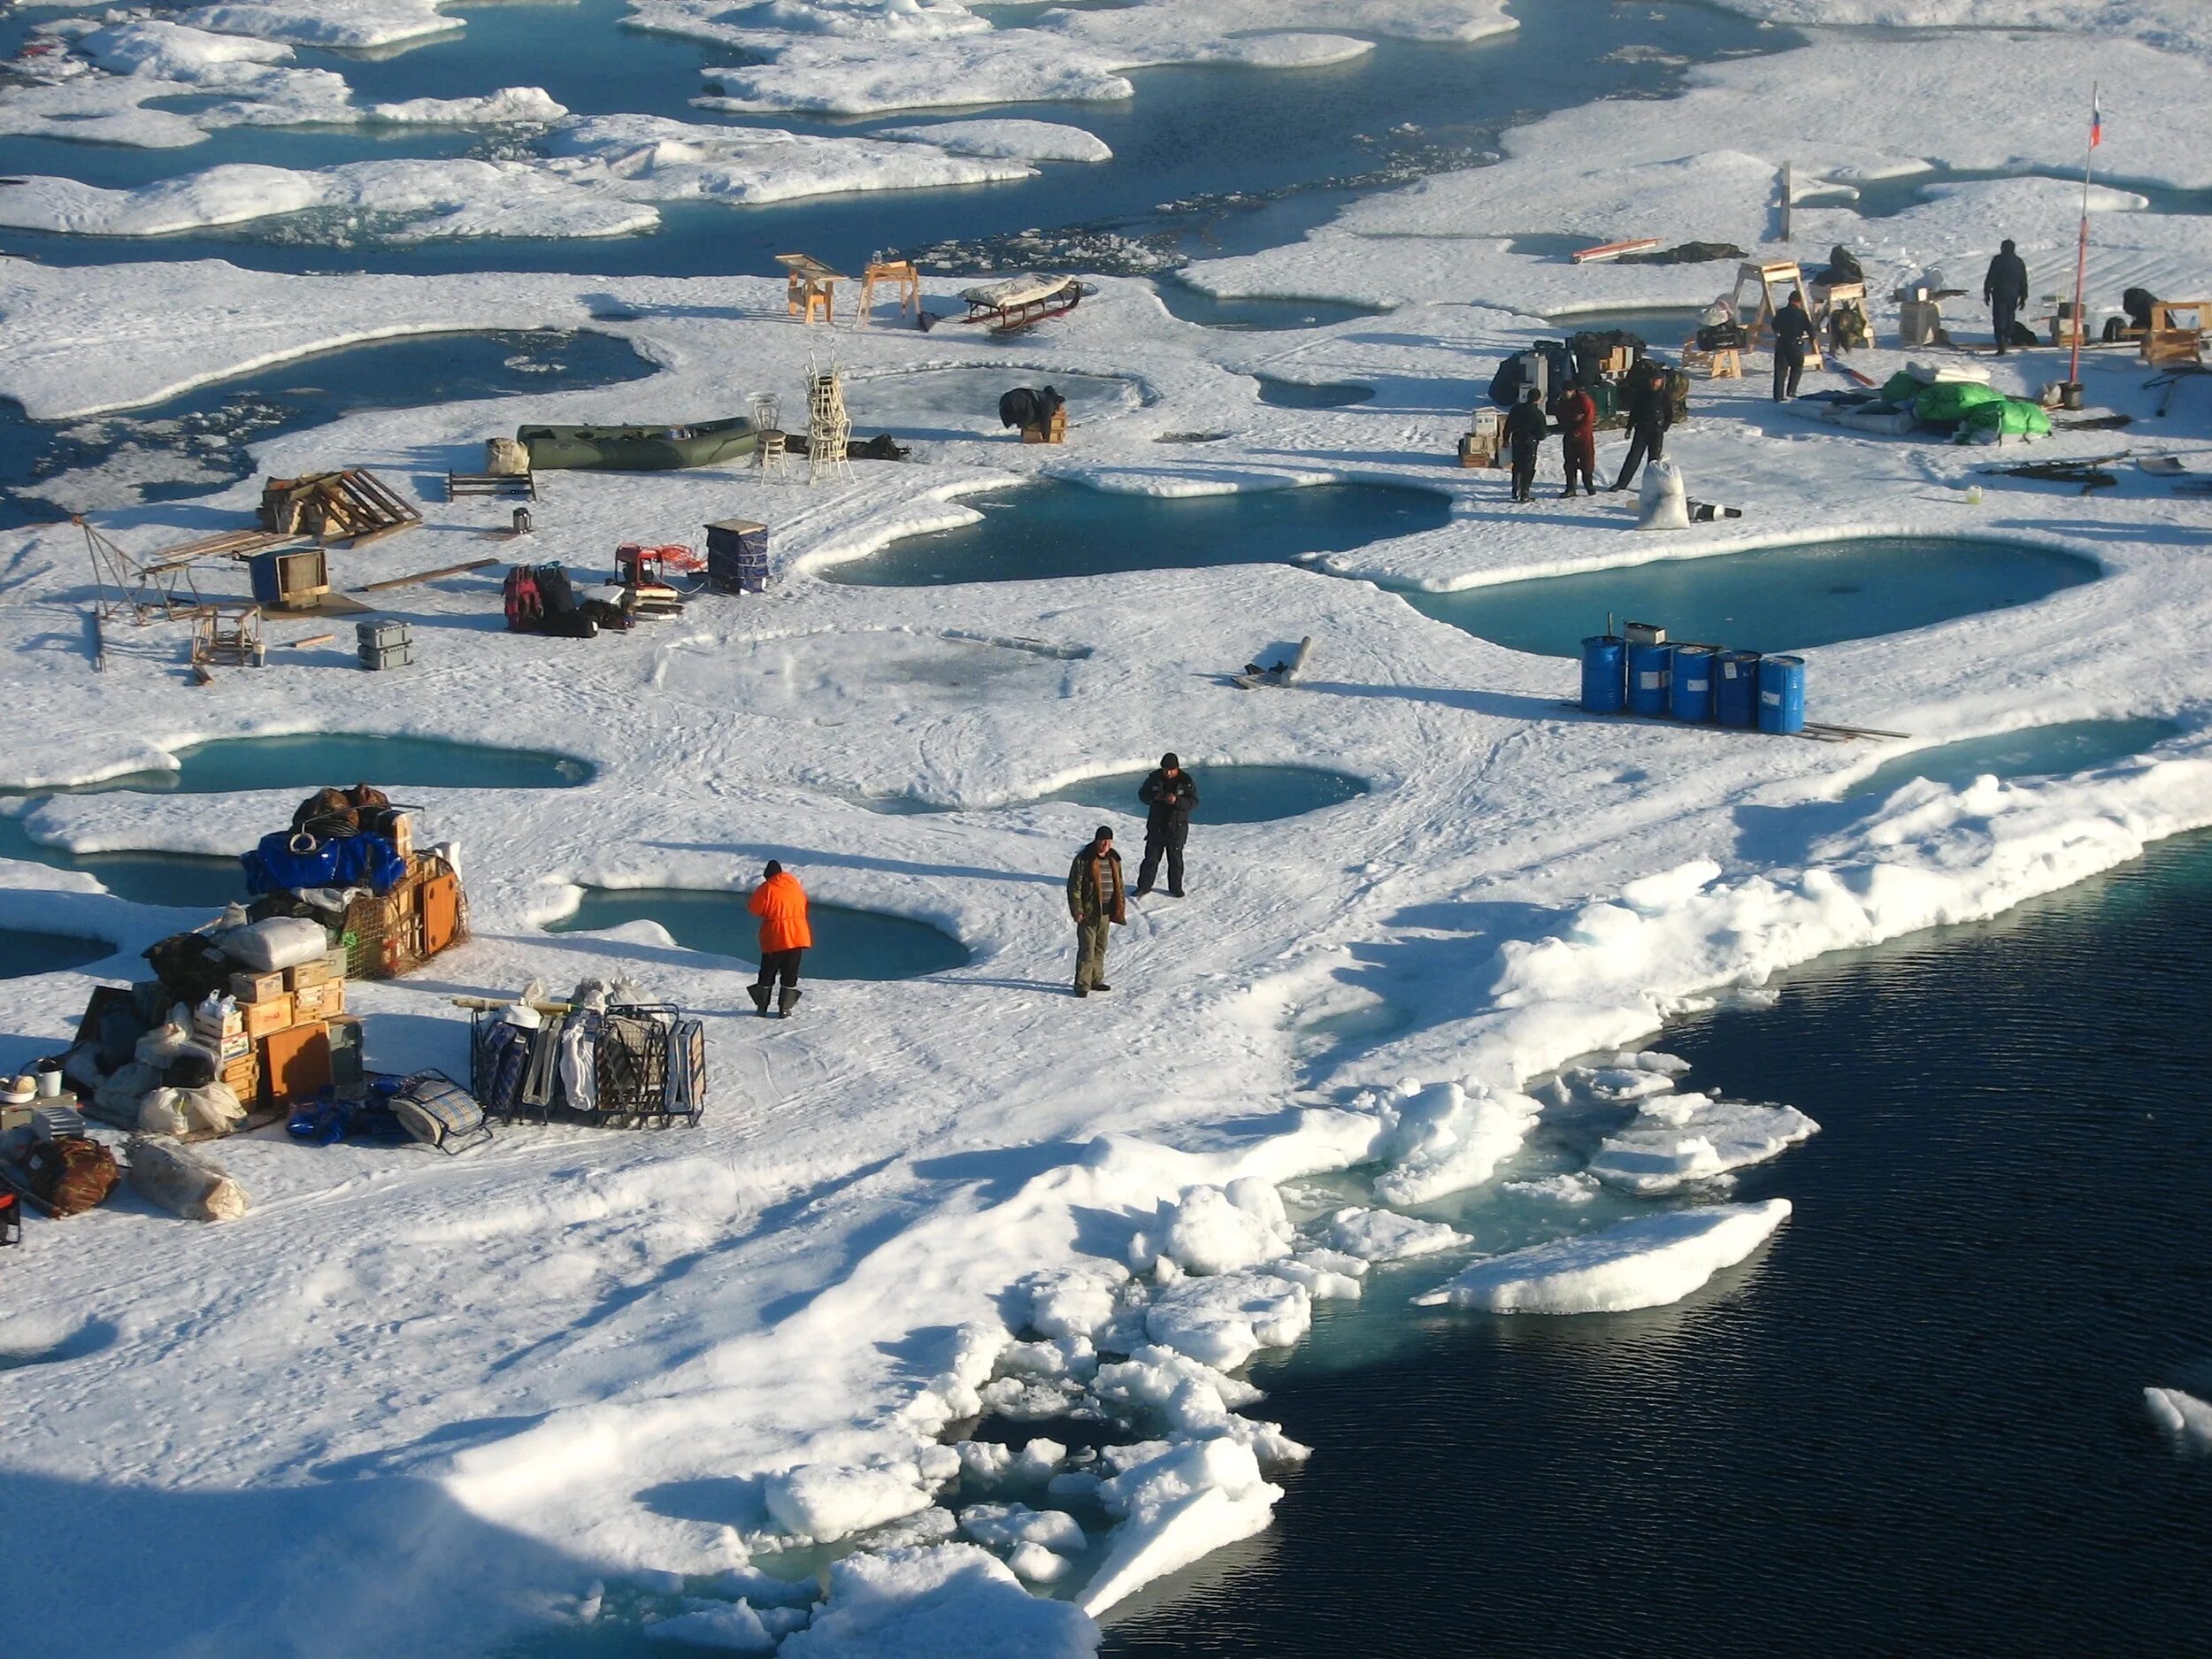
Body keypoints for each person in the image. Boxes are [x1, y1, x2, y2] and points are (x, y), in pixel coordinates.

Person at [746, 859, 811, 1018]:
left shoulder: (766, 888)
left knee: (767, 972)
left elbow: (754, 909)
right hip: (798, 934)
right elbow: (803, 904)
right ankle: (785, 1008)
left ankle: (762, 1007)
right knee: (790, 972)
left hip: (775, 935)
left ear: (768, 876)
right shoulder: (795, 884)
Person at [1066, 825, 1126, 997]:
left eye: (1109, 841)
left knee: (1101, 947)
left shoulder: (1114, 859)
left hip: (1106, 912)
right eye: (1103, 841)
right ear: (1096, 840)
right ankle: (1082, 985)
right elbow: (1074, 887)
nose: (1106, 845)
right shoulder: (1084, 859)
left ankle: (1096, 980)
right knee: (1087, 949)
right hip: (1088, 913)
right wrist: (1077, 910)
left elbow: (1119, 884)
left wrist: (1120, 906)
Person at [1134, 753, 1200, 898]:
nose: (1168, 773)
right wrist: (1154, 797)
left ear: (1177, 768)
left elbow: (1193, 802)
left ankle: (1175, 888)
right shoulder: (1154, 779)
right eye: (1165, 770)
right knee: (1151, 859)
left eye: (1171, 770)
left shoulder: (1186, 781)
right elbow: (1142, 795)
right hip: (1157, 826)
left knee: (1175, 861)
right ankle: (1144, 886)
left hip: (1177, 828)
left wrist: (1177, 800)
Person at [1611, 358, 1671, 490]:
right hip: (1642, 428)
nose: (1655, 383)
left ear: (1662, 382)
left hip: (1656, 429)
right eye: (1653, 380)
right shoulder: (1642, 393)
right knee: (1633, 457)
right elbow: (1635, 411)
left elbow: (1669, 414)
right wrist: (1629, 427)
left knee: (1653, 461)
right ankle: (1622, 483)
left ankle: (1651, 487)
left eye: (1658, 381)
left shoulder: (1664, 395)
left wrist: (1663, 428)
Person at [1984, 238, 2029, 356]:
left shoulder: (1997, 260)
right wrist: (2023, 297)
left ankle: (2001, 345)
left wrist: (1987, 292)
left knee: (1999, 319)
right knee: (2010, 318)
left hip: (1999, 293)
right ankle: (2006, 338)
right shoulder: (2019, 262)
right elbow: (2023, 281)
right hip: (2013, 294)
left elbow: (1990, 276)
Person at [1502, 385, 1548, 503]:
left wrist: (1505, 439)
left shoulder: (1516, 409)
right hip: (1530, 443)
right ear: (1538, 399)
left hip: (1516, 440)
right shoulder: (1538, 414)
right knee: (1528, 468)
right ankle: (1525, 493)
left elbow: (1508, 426)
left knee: (1517, 466)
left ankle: (1515, 491)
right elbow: (1542, 434)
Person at [1554, 380, 1597, 497]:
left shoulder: (1584, 401)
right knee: (1569, 462)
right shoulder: (1562, 401)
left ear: (1572, 391)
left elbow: (1588, 420)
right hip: (1569, 434)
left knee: (1587, 462)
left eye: (1566, 391)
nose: (1564, 394)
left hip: (1584, 437)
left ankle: (1588, 484)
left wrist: (1578, 432)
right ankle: (1571, 487)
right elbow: (1560, 415)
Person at [1771, 289, 1814, 402]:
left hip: (1782, 342)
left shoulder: (1781, 312)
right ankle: (1791, 391)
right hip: (1796, 343)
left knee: (1780, 370)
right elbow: (1810, 330)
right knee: (1797, 367)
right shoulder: (1801, 314)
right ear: (1799, 301)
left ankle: (1778, 395)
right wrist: (1812, 341)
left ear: (1789, 300)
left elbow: (1774, 326)